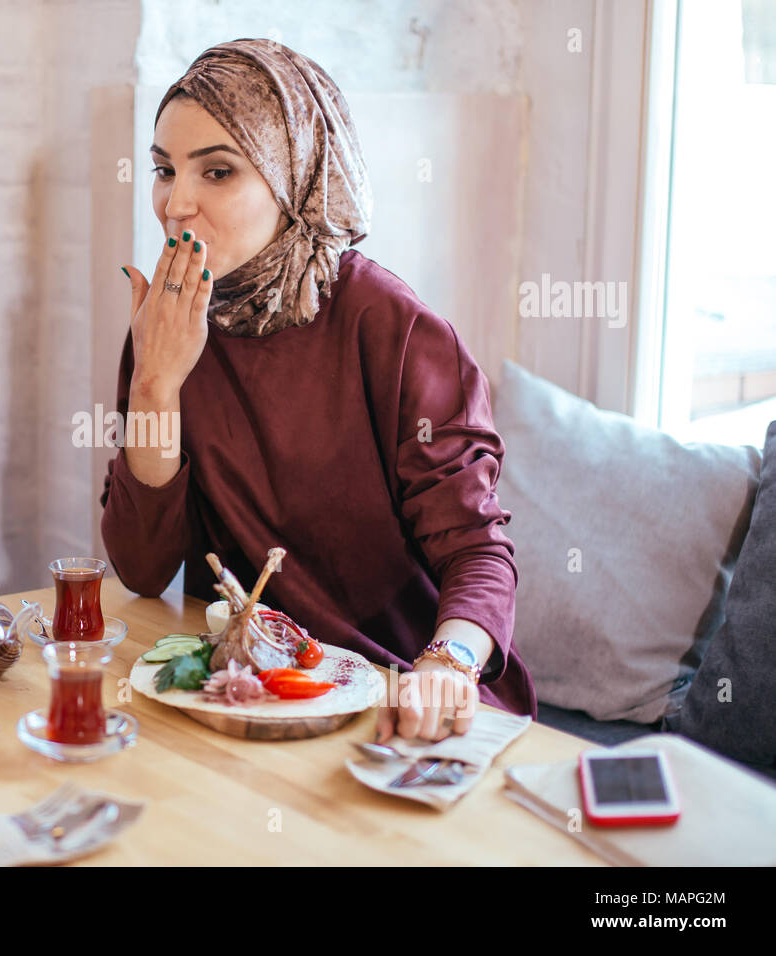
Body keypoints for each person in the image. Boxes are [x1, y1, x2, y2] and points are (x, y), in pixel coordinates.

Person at [102, 38, 537, 740]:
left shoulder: (392, 326)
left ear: (294, 175)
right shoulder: (168, 328)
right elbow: (144, 569)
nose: (174, 203)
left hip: (405, 704)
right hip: (255, 703)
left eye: (217, 171)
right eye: (163, 170)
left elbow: (476, 552)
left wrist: (445, 666)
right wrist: (155, 384)